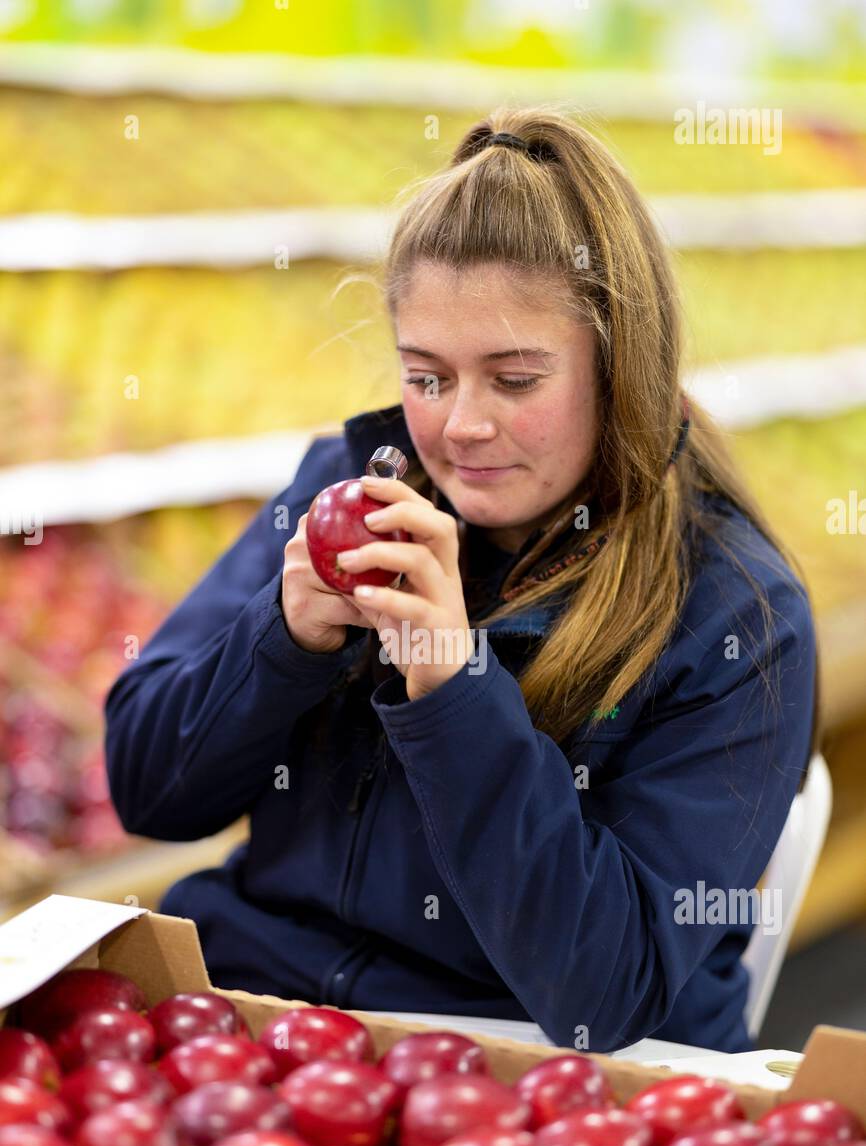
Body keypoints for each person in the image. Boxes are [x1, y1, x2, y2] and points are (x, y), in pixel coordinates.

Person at [104, 110, 818, 1054]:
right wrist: (282, 642)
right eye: (428, 377)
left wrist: (452, 690)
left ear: (622, 367)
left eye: (515, 380)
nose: (461, 427)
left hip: (526, 1071)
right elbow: (149, 792)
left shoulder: (737, 617)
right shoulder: (347, 489)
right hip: (275, 1021)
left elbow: (605, 989)